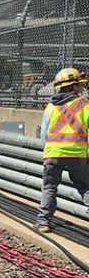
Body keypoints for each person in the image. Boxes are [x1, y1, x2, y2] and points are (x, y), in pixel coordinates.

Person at [34, 67, 89, 233]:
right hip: (77, 154)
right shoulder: (85, 105)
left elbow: (44, 135)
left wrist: (52, 147)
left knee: (49, 187)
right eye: (79, 84)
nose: (82, 87)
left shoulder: (51, 107)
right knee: (86, 187)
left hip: (53, 153)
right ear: (73, 87)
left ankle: (43, 222)